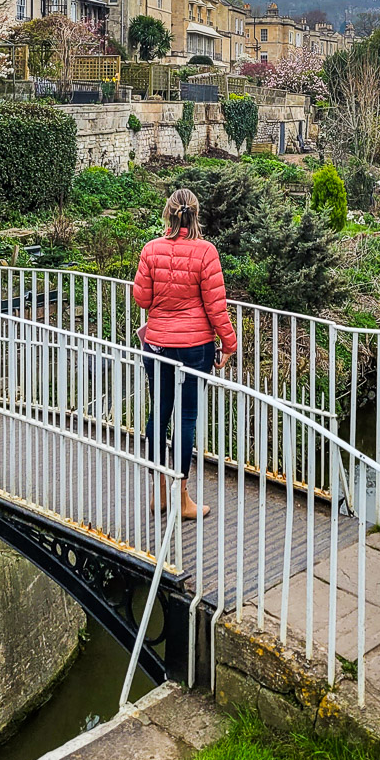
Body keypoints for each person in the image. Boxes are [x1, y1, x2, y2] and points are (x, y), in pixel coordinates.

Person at [132, 187, 237, 518]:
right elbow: (216, 307)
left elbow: (142, 299)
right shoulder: (206, 253)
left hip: (158, 346)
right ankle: (182, 498)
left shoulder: (151, 250)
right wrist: (229, 344)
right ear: (196, 213)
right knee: (187, 416)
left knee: (158, 414)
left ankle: (160, 494)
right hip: (195, 349)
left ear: (167, 213)